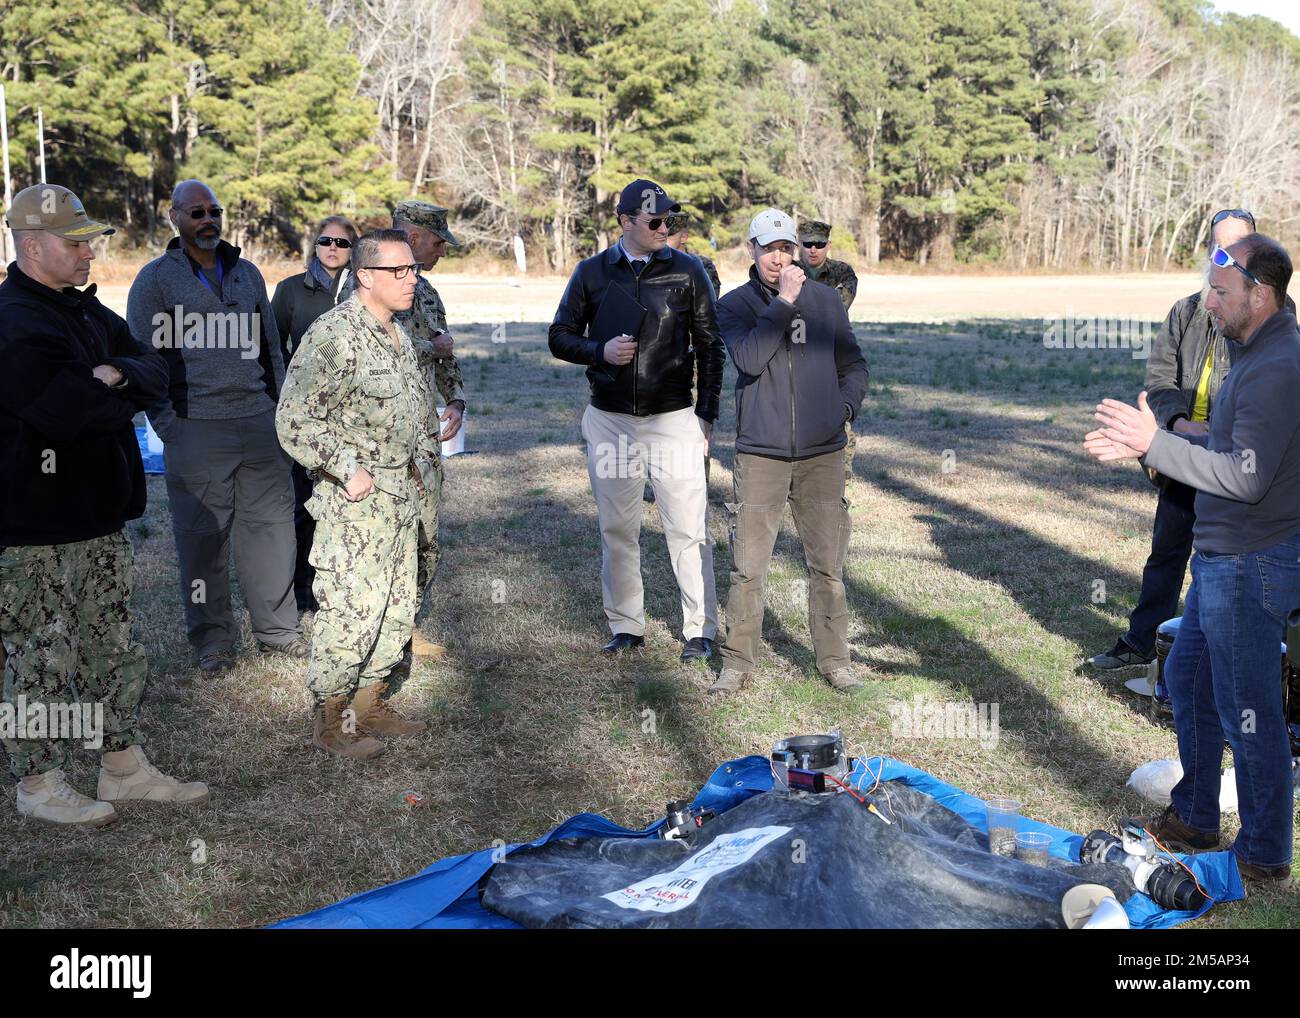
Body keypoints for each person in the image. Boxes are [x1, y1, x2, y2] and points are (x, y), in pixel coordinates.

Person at [1086, 233, 1300, 884]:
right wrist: (1171, 437)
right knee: (1188, 683)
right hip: (1222, 558)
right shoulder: (1256, 353)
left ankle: (1263, 851)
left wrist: (1155, 444)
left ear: (1260, 295)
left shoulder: (1277, 367)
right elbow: (1238, 442)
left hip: (1248, 561)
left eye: (1221, 292)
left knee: (1249, 705)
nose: (1208, 303)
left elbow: (1246, 476)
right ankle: (1198, 816)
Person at [1, 183, 209, 825]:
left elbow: (162, 366)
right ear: (33, 246)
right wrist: (114, 383)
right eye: (76, 242)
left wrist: (113, 373)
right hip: (33, 526)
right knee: (38, 653)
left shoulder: (88, 314)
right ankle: (38, 783)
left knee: (111, 646)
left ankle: (121, 767)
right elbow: (65, 414)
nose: (90, 253)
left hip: (99, 516)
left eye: (91, 240)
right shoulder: (13, 322)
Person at [127, 179, 304, 673]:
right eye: (197, 212)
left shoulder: (247, 273)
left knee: (272, 532)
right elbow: (142, 359)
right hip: (195, 427)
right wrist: (168, 426)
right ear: (175, 218)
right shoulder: (156, 280)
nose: (208, 220)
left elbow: (272, 349)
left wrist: (279, 410)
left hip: (259, 424)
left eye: (215, 211)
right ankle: (214, 642)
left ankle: (277, 631)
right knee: (203, 539)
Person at [549, 178, 725, 661]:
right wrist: (598, 350)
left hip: (672, 418)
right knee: (618, 528)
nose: (665, 227)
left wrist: (706, 414)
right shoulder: (592, 272)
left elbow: (712, 345)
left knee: (688, 526)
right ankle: (626, 626)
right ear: (625, 222)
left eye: (671, 218)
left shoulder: (689, 271)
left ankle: (700, 631)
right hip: (610, 420)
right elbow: (559, 336)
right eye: (655, 220)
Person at [276, 230, 436, 758]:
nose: (412, 279)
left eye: (413, 269)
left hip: (401, 495)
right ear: (365, 276)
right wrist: (347, 470)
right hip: (357, 500)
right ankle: (332, 716)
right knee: (351, 605)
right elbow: (294, 418)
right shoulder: (334, 335)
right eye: (400, 271)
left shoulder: (397, 333)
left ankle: (370, 700)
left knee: (394, 604)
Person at [1087, 209, 1256, 670]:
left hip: (1233, 456)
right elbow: (1161, 379)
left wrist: (1223, 430)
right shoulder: (1185, 310)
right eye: (1220, 249)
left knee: (1226, 563)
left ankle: (1222, 657)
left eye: (1239, 250)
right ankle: (1143, 641)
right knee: (1167, 550)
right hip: (1180, 451)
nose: (1228, 260)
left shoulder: (1272, 315)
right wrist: (1179, 425)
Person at [711, 208, 869, 695]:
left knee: (827, 564)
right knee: (748, 567)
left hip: (823, 454)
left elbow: (854, 365)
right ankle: (736, 664)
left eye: (786, 248)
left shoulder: (826, 301)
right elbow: (750, 359)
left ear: (796, 250)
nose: (778, 258)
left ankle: (835, 661)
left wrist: (841, 410)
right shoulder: (735, 306)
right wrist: (782, 303)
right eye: (768, 249)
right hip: (762, 454)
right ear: (752, 251)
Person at [341, 201, 465, 678]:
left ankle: (404, 626)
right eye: (436, 242)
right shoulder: (362, 288)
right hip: (378, 443)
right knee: (380, 543)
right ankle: (372, 641)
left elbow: (445, 347)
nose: (441, 252)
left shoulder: (426, 291)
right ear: (413, 238)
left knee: (426, 537)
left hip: (423, 437)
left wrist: (457, 401)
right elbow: (366, 348)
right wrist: (426, 348)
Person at [272, 215, 359, 613]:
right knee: (303, 505)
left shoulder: (363, 289)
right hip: (307, 416)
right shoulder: (291, 290)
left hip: (354, 416)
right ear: (314, 245)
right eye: (326, 241)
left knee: (349, 502)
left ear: (353, 250)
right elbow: (272, 349)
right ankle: (301, 591)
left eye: (342, 243)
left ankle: (345, 587)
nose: (333, 248)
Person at [798, 219, 860, 480]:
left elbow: (835, 308)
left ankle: (841, 470)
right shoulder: (787, 271)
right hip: (796, 351)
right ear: (798, 245)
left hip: (833, 353)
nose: (813, 249)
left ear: (828, 245)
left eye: (819, 244)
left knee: (837, 409)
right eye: (808, 244)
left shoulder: (843, 272)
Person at [666, 213, 722, 296]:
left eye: (667, 236)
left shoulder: (703, 265)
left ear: (683, 238)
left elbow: (710, 301)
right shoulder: (655, 265)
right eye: (660, 235)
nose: (662, 240)